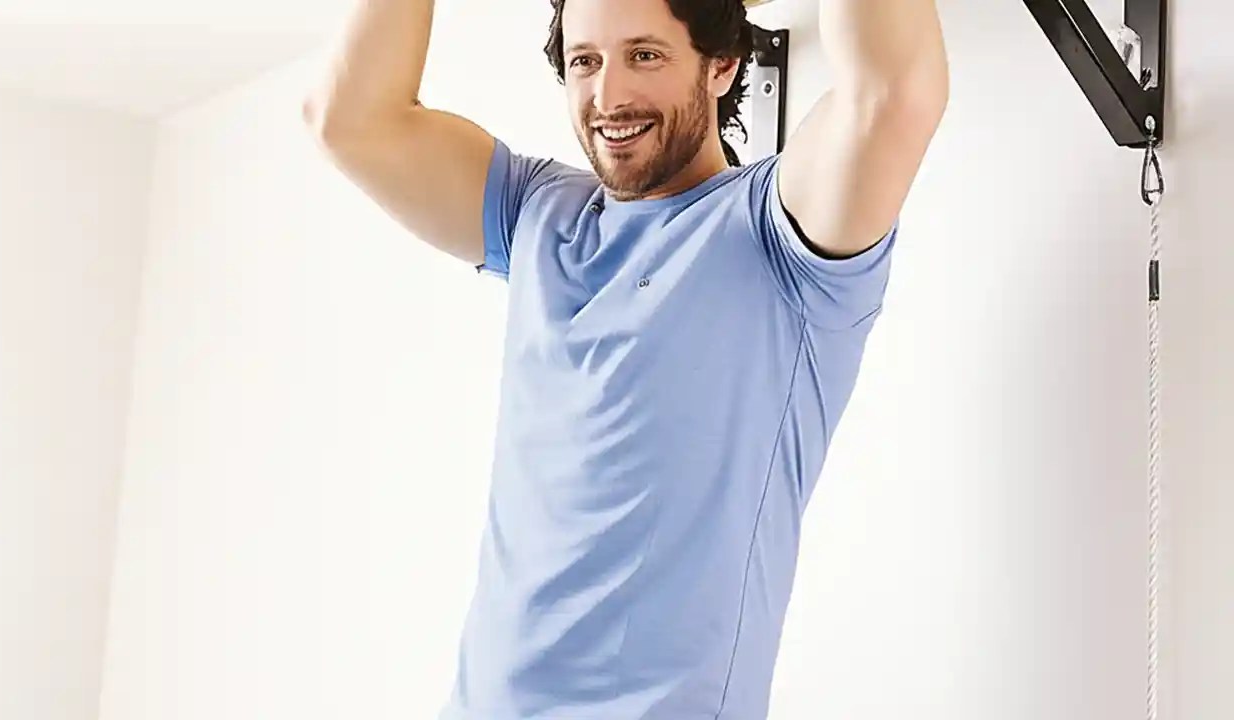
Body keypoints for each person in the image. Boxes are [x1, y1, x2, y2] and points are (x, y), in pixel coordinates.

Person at [304, 0, 948, 716]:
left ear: (723, 64)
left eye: (644, 55)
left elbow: (894, 94)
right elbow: (350, 120)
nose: (609, 97)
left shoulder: (774, 235)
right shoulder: (536, 214)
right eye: (585, 61)